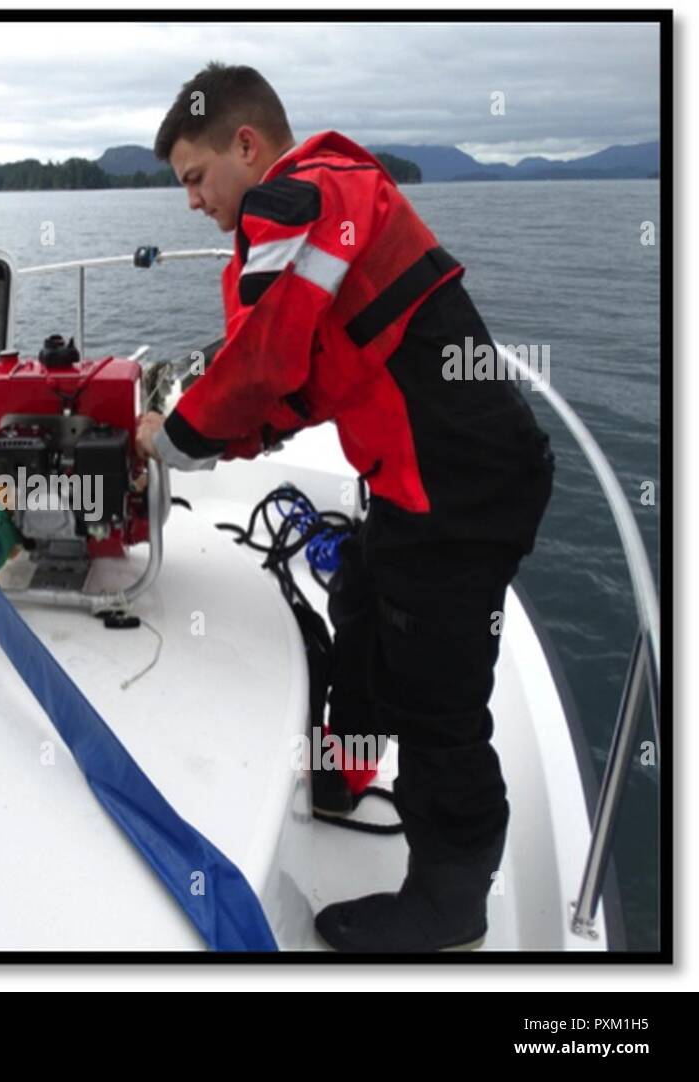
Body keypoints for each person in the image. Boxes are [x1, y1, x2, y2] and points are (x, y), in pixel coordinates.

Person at [134, 62, 555, 951]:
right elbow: (309, 380)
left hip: (459, 489)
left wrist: (169, 440)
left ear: (245, 145)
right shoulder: (332, 200)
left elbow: (259, 366)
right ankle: (344, 773)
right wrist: (232, 436)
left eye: (195, 178)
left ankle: (450, 901)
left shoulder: (293, 203)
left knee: (439, 701)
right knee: (362, 595)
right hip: (434, 472)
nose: (193, 203)